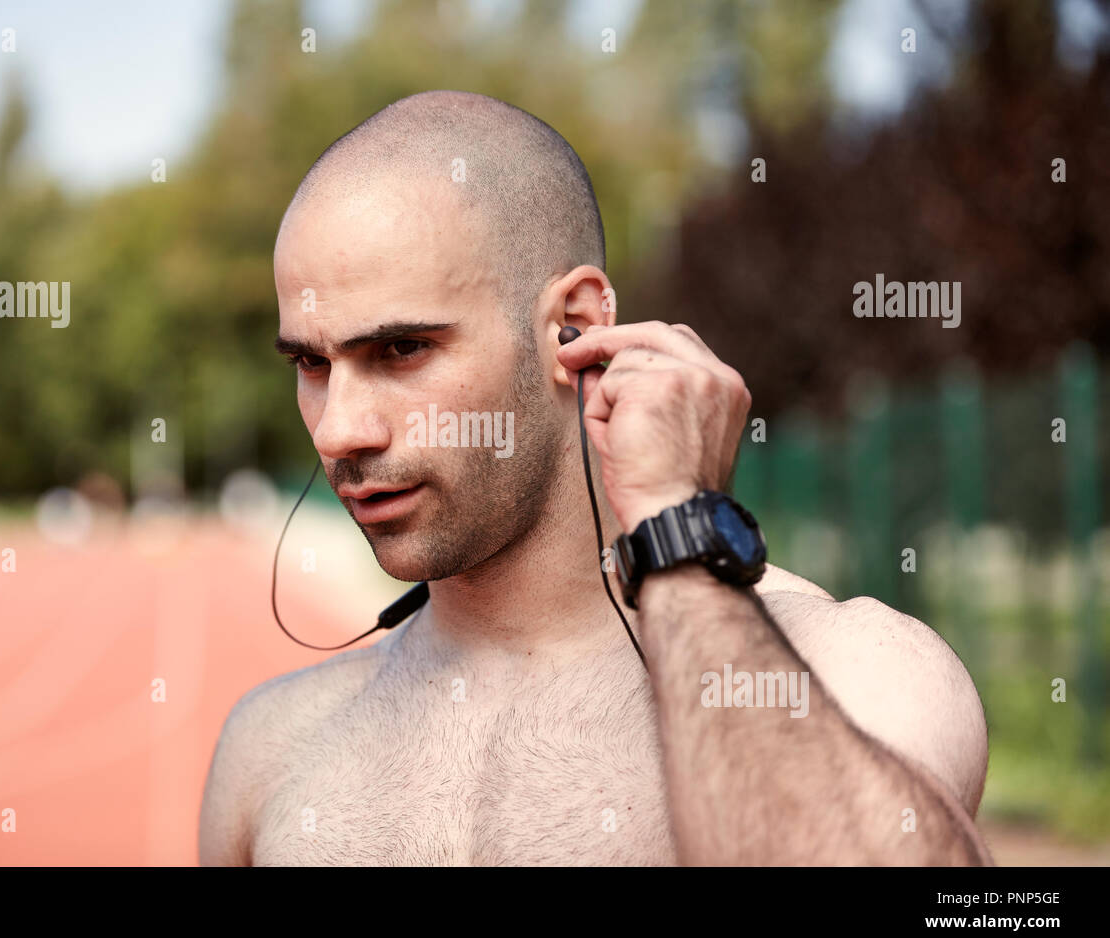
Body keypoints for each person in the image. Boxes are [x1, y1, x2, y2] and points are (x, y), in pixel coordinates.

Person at [199, 90, 991, 866]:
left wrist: (680, 531)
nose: (339, 430)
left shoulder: (855, 673)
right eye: (310, 362)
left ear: (574, 325)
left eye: (401, 350)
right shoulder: (271, 751)